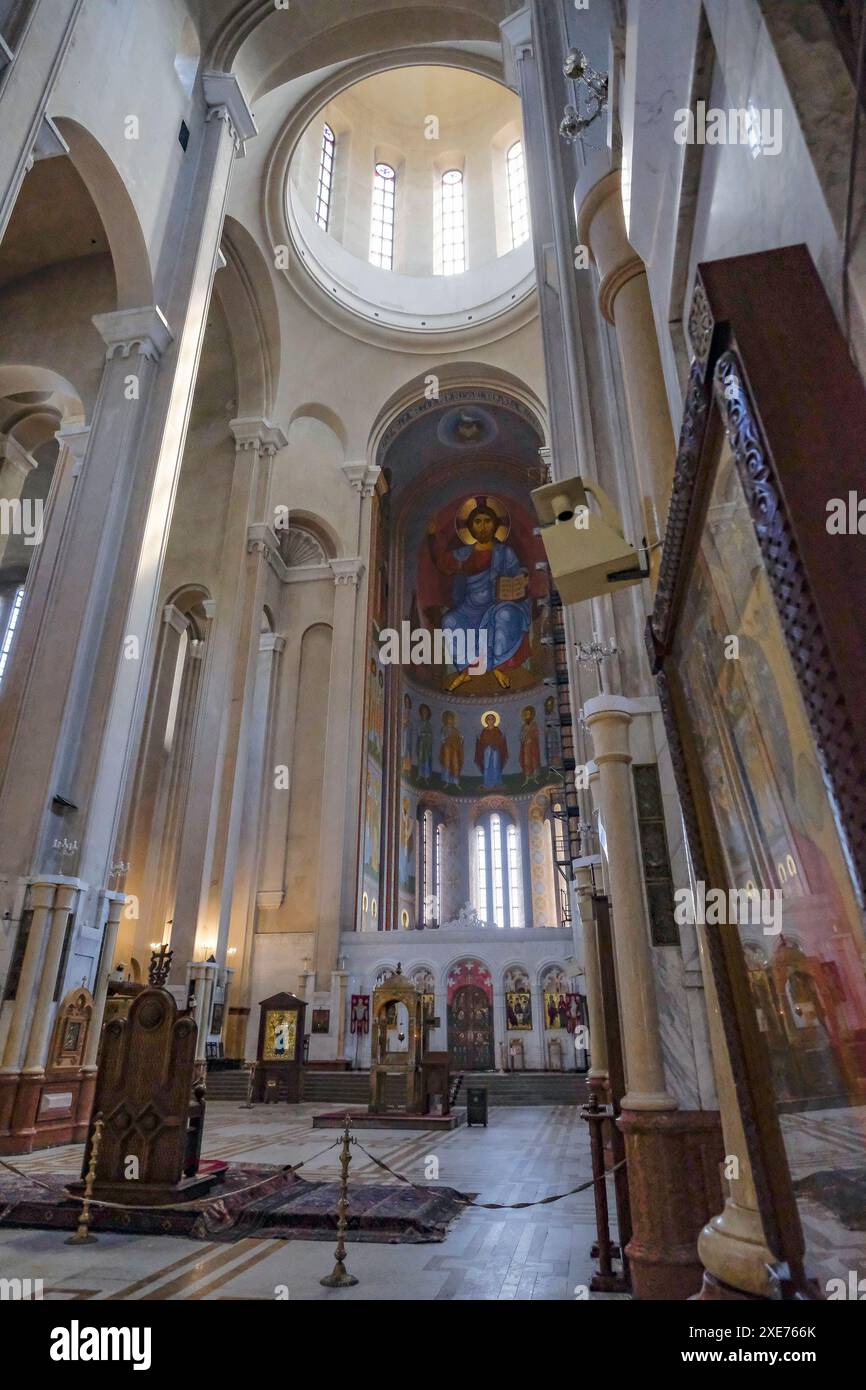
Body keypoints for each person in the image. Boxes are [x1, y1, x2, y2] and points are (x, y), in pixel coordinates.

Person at [428, 500, 530, 691]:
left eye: (487, 521)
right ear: (470, 527)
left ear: (495, 525)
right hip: (470, 607)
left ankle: (498, 666)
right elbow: (442, 563)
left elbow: (517, 572)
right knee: (449, 621)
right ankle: (467, 670)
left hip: (498, 603)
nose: (483, 526)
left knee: (504, 616)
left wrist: (522, 576)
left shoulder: (504, 552)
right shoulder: (464, 553)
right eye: (477, 522)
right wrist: (433, 536)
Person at [475, 712, 508, 789]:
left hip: (495, 750)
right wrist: (479, 739)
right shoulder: (484, 731)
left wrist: (503, 738)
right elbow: (482, 742)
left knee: (496, 766)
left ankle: (497, 783)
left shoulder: (497, 730)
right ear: (486, 721)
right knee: (486, 766)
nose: (490, 720)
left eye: (492, 719)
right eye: (489, 719)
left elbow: (500, 741)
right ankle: (487, 784)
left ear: (494, 720)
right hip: (487, 751)